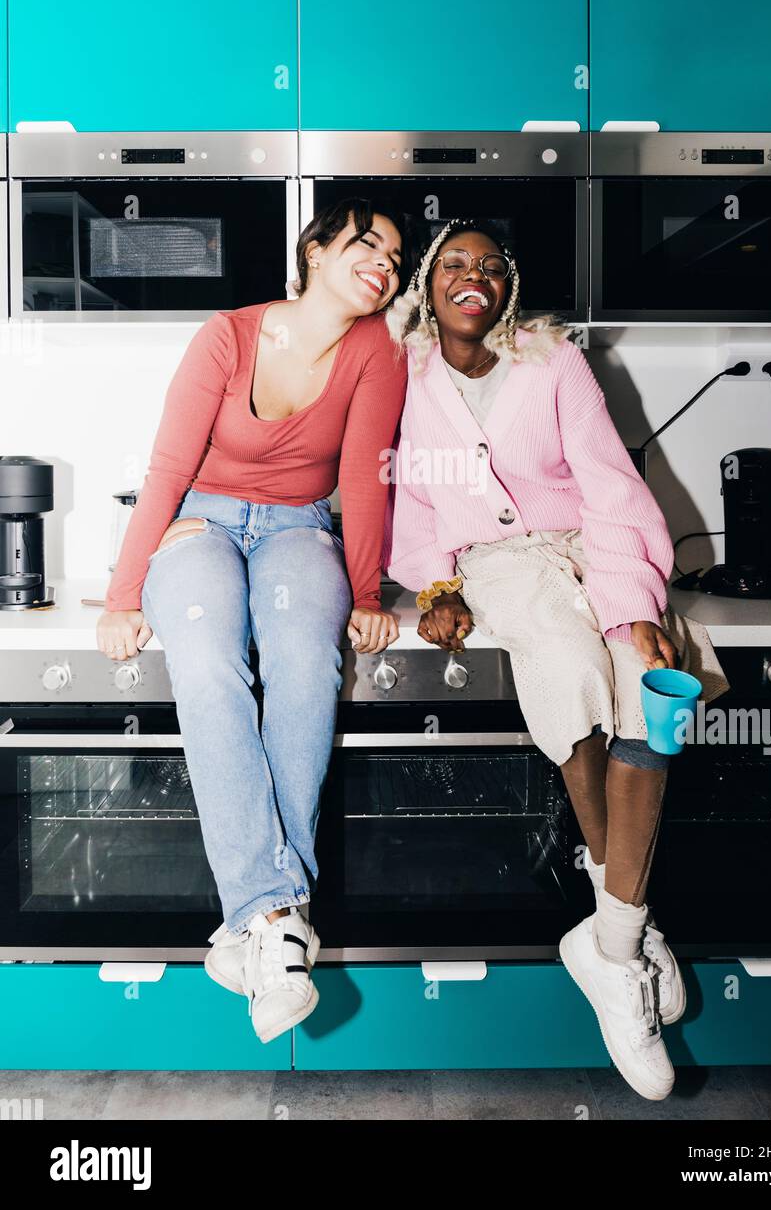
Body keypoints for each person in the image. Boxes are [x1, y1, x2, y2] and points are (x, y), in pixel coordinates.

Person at [382, 217, 730, 1101]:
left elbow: (613, 485)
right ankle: (631, 927)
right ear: (427, 284)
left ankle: (612, 944)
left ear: (509, 289)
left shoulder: (555, 363)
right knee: (567, 675)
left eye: (492, 267)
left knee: (653, 691)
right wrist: (433, 589)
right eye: (454, 264)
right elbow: (410, 501)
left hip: (596, 551)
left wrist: (634, 607)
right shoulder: (403, 375)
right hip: (502, 572)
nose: (474, 277)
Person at [97, 199, 407, 1044]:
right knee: (205, 663)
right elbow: (167, 466)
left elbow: (366, 478)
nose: (385, 261)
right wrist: (125, 592)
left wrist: (370, 592)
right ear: (314, 250)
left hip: (302, 528)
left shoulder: (378, 351)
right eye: (365, 243)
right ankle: (279, 923)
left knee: (306, 658)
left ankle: (257, 929)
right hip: (198, 521)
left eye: (396, 254)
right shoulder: (226, 337)